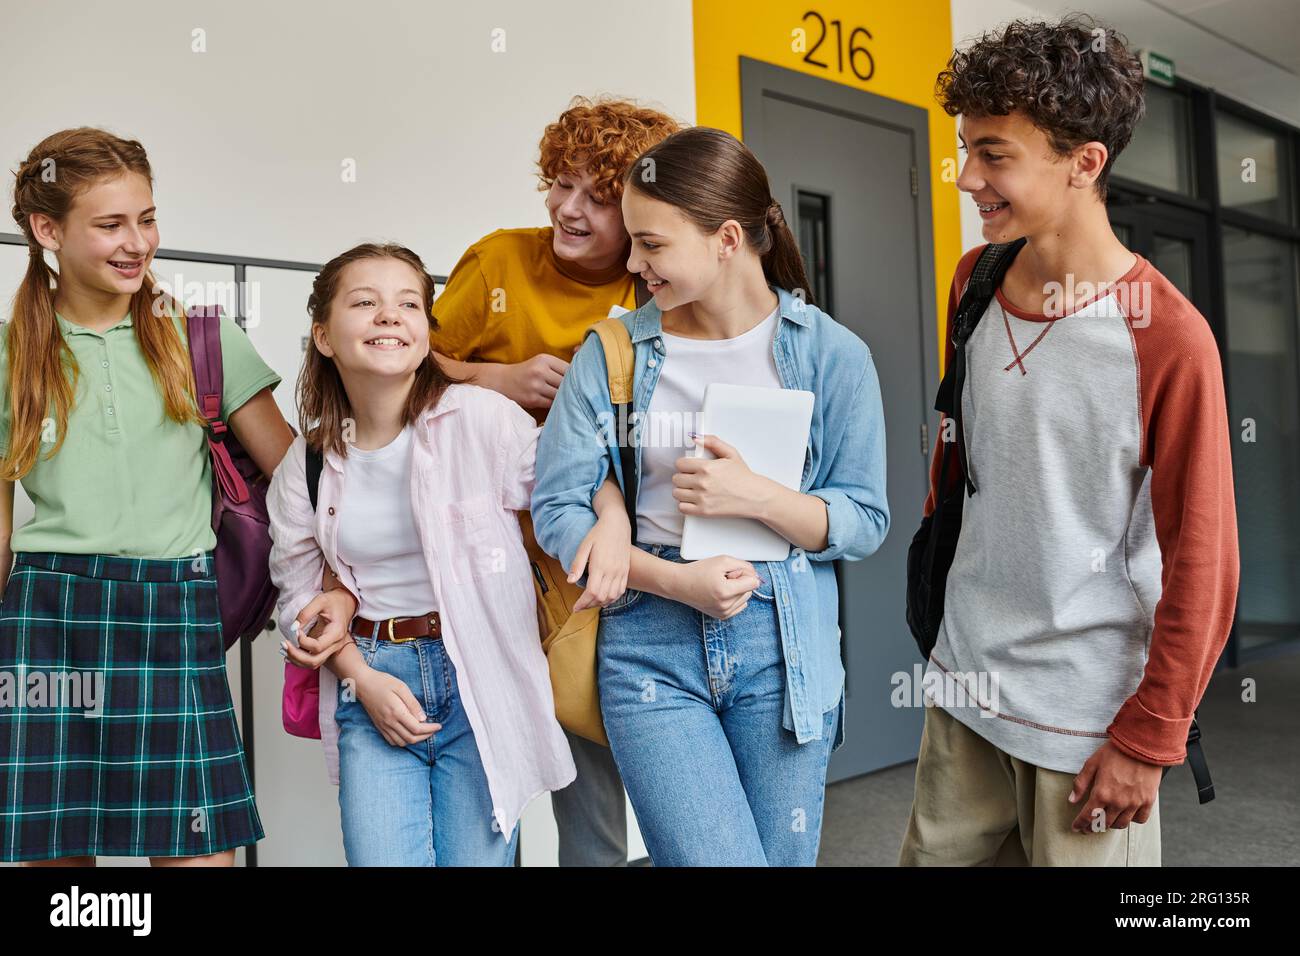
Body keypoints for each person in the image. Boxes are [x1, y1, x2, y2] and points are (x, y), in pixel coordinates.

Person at [898, 16, 1239, 866]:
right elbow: (959, 469)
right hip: (966, 690)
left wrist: (1152, 737)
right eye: (966, 148)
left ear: (1084, 162)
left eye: (995, 154)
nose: (968, 176)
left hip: (1086, 724)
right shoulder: (971, 285)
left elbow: (1203, 553)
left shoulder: (1165, 334)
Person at [531, 126, 890, 866]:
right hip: (649, 642)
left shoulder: (832, 355)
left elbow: (864, 519)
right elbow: (556, 504)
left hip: (783, 644)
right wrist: (666, 574)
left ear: (728, 237)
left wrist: (755, 496)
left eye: (651, 244)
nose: (632, 263)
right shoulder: (612, 351)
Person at [266, 242, 632, 865]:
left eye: (408, 304)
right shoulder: (305, 465)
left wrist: (614, 518)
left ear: (425, 331)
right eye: (365, 303)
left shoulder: (481, 419)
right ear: (323, 336)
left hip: (480, 677)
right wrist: (363, 679)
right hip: (375, 682)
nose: (390, 316)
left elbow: (567, 477)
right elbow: (296, 599)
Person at [0, 127, 291, 865]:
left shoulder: (200, 335)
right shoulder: (7, 354)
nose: (138, 242)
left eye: (147, 218)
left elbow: (298, 483)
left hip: (174, 607)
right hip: (48, 613)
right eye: (110, 225)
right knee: (53, 854)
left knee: (199, 850)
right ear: (46, 230)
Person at [429, 95, 680, 866]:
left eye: (599, 198)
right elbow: (405, 367)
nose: (570, 210)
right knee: (480, 771)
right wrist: (491, 376)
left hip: (591, 570)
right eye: (561, 184)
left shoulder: (655, 290)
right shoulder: (499, 260)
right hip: (489, 560)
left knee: (592, 785)